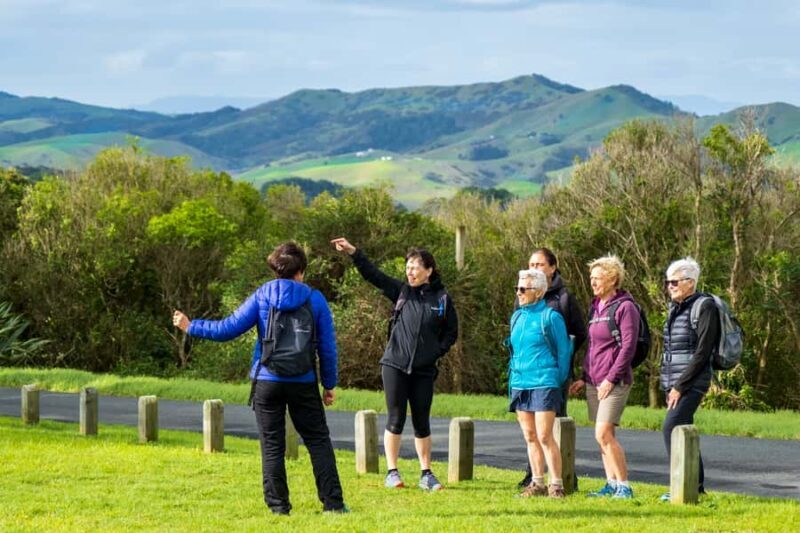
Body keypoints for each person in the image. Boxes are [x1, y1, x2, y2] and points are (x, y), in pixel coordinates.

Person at [172, 242, 347, 516]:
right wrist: (329, 384)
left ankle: (279, 508)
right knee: (318, 441)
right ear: (301, 270)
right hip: (303, 381)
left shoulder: (263, 295)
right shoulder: (315, 299)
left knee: (272, 445)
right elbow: (327, 347)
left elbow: (228, 328)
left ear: (276, 270)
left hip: (268, 380)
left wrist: (191, 326)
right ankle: (334, 505)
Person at [330, 237, 458, 491]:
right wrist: (354, 252)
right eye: (408, 267)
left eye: (415, 267)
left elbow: (451, 332)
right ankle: (392, 472)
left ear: (429, 270)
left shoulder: (442, 299)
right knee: (396, 418)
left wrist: (434, 352)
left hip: (423, 370)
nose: (409, 271)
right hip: (394, 366)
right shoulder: (402, 291)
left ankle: (426, 474)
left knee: (422, 421)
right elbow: (373, 275)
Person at [569, 255, 639, 499]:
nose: (593, 283)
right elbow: (593, 347)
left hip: (615, 381)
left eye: (597, 278)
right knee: (603, 437)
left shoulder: (625, 307)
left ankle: (625, 487)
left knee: (603, 433)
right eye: (591, 278)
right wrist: (584, 377)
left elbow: (628, 347)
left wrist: (611, 378)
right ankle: (610, 484)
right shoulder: (595, 307)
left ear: (612, 279)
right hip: (594, 381)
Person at [518, 247, 587, 488]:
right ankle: (533, 476)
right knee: (532, 432)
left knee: (552, 427)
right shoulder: (524, 296)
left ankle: (565, 478)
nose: (534, 268)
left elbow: (578, 334)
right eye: (531, 264)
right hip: (526, 375)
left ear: (552, 267)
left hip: (553, 373)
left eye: (539, 264)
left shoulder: (563, 298)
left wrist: (560, 361)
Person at [507, 269, 572, 498]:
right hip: (520, 382)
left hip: (544, 382)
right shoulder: (518, 316)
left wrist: (557, 379)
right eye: (517, 288)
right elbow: (513, 352)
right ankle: (537, 483)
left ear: (539, 291)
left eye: (523, 289)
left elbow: (564, 352)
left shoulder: (551, 317)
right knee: (530, 435)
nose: (519, 293)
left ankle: (557, 484)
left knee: (545, 435)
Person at [659, 257, 719, 501]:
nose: (670, 286)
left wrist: (680, 386)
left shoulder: (705, 307)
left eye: (674, 282)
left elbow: (703, 352)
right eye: (668, 282)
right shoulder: (676, 308)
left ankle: (686, 485)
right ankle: (696, 487)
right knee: (683, 430)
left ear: (690, 282)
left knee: (670, 427)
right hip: (676, 382)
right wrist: (669, 384)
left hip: (693, 380)